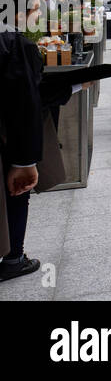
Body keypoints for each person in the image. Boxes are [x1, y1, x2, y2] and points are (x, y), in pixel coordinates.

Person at [0, 28, 44, 281]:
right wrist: (24, 161)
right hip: (9, 142)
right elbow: (23, 102)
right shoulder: (13, 44)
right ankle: (13, 258)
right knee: (16, 193)